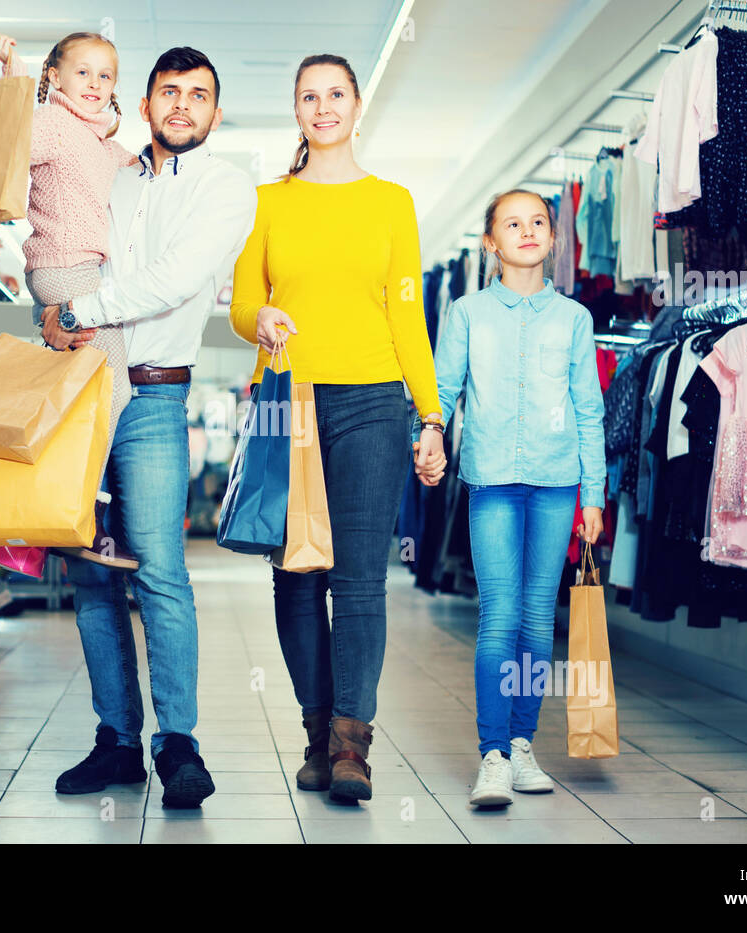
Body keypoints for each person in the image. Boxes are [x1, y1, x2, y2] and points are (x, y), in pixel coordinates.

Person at [37, 47, 258, 808]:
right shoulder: (111, 171)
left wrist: (77, 311)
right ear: (147, 102)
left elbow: (175, 279)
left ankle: (180, 746)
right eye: (170, 91)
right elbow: (65, 241)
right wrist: (59, 306)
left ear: (214, 113)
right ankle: (116, 741)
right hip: (81, 388)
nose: (184, 105)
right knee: (91, 569)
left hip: (157, 400)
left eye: (200, 94)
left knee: (161, 570)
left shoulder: (225, 186)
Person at [229, 54, 444, 804]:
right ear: (296, 110)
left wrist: (431, 414)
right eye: (309, 96)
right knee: (295, 573)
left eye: (336, 95)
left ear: (357, 105)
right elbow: (241, 303)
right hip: (289, 398)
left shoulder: (392, 202)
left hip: (375, 400)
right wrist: (258, 317)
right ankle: (315, 729)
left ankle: (351, 745)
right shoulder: (266, 201)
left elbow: (408, 315)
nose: (323, 107)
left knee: (359, 578)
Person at [430, 189, 605, 808]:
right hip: (494, 483)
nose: (527, 231)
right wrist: (428, 436)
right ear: (491, 242)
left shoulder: (575, 320)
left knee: (537, 619)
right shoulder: (467, 313)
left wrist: (594, 495)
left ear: (553, 237)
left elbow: (590, 410)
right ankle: (493, 756)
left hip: (559, 485)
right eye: (513, 223)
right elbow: (442, 390)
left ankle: (524, 743)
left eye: (538, 222)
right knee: (499, 616)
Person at [0, 30, 138, 571]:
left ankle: (70, 508)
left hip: (81, 273)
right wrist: (14, 70)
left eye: (105, 75)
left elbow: (136, 166)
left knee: (94, 389)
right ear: (55, 76)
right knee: (113, 388)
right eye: (82, 71)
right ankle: (77, 511)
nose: (94, 83)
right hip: (65, 269)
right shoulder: (54, 123)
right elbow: (12, 136)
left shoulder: (101, 143)